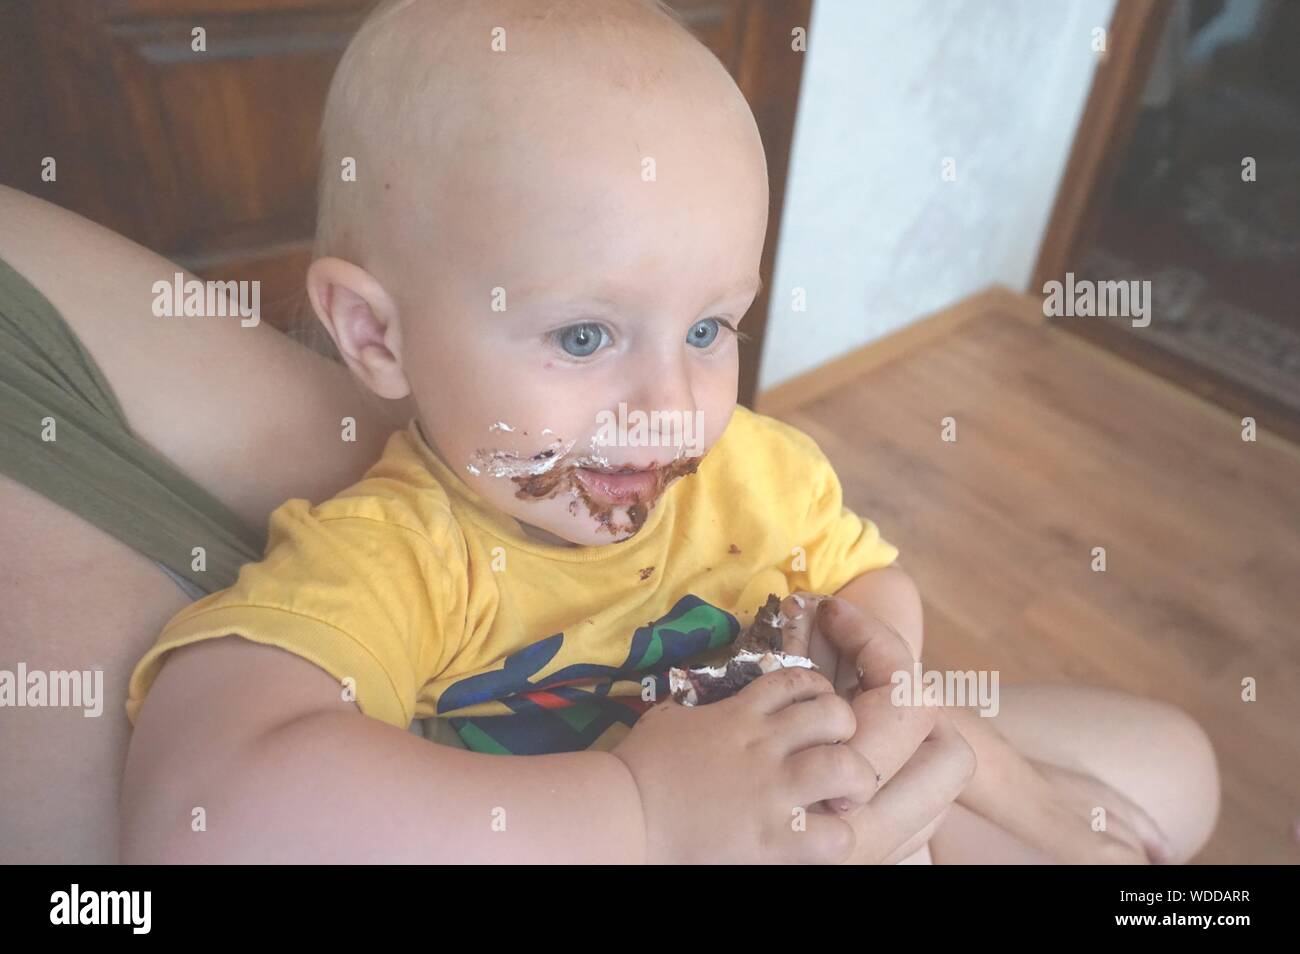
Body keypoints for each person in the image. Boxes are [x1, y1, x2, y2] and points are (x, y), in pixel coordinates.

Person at [1, 0, 1217, 865]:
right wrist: (637, 814)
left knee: (1186, 766)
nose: (674, 406)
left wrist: (884, 664)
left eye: (708, 327)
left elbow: (863, 573)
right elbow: (203, 813)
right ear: (376, 339)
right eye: (584, 339)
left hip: (831, 804)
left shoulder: (750, 469)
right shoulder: (394, 555)